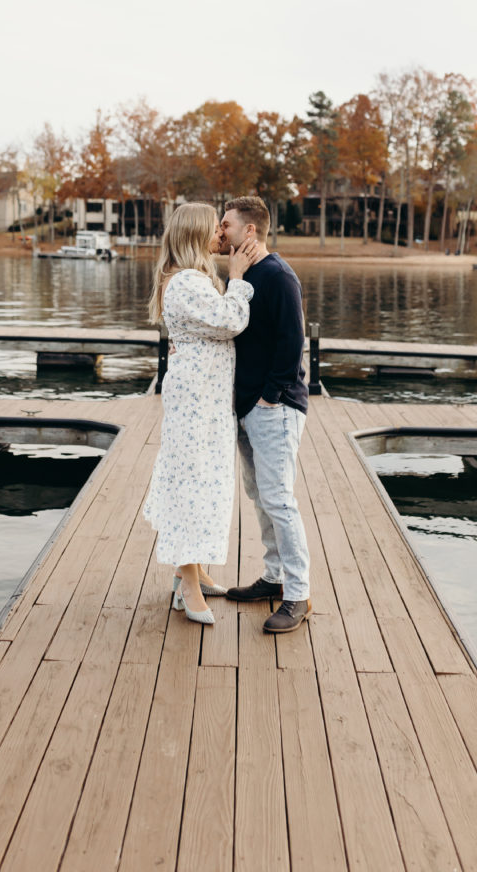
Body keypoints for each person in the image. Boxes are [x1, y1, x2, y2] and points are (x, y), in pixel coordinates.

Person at [143, 202, 262, 624]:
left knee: (201, 481)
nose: (220, 236)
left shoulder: (189, 279)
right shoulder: (188, 281)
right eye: (213, 229)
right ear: (195, 235)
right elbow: (231, 321)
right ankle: (188, 586)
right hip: (196, 402)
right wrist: (239, 280)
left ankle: (187, 571)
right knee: (194, 486)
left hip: (203, 400)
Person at [219, 196, 311, 633]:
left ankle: (297, 594)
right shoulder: (244, 275)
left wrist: (269, 397)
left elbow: (293, 343)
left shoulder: (278, 276)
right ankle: (274, 578)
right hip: (247, 407)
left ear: (249, 231)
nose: (221, 232)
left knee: (279, 499)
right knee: (260, 496)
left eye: (227, 225)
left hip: (274, 408)